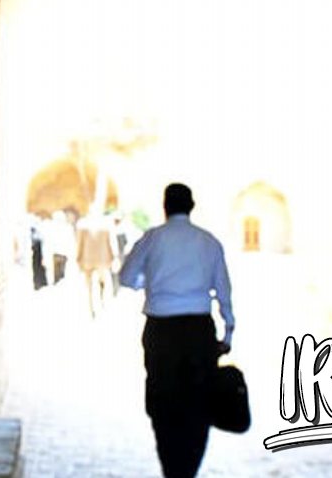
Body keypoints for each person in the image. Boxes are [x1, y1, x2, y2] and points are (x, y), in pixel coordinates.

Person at [119, 183, 234, 478]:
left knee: (162, 400)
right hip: (198, 330)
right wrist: (228, 333)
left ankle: (171, 468)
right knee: (198, 402)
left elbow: (127, 277)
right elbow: (223, 291)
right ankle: (188, 469)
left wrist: (152, 284)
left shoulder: (152, 239)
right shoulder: (208, 242)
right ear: (191, 206)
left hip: (161, 329)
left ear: (165, 207)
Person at [76, 210, 115, 317]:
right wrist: (112, 257)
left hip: (88, 258)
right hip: (101, 258)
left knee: (90, 285)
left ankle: (92, 307)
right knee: (101, 282)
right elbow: (110, 242)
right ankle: (99, 304)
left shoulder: (82, 224)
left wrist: (78, 258)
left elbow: (79, 243)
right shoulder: (105, 224)